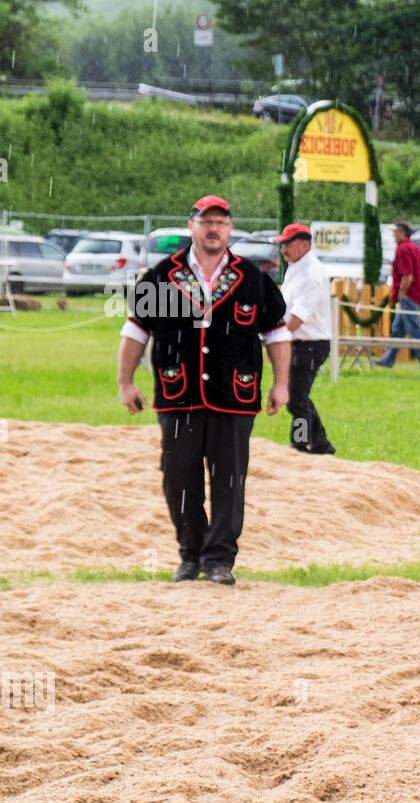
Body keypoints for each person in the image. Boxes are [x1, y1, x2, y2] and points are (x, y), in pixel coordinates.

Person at [116, 195, 290, 585]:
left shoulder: (254, 279)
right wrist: (125, 383)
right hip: (178, 395)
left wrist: (281, 383)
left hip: (235, 395)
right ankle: (190, 555)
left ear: (230, 229)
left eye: (221, 222)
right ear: (191, 226)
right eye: (206, 221)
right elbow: (135, 331)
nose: (214, 229)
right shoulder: (163, 276)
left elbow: (276, 333)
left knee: (229, 477)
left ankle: (219, 559)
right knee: (179, 477)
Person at [276, 223, 336, 455]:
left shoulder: (313, 274)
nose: (283, 250)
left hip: (311, 344)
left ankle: (299, 445)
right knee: (298, 396)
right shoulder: (295, 266)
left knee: (296, 398)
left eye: (287, 244)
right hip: (298, 342)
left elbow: (296, 318)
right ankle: (320, 442)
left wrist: (274, 338)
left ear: (304, 245)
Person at [374, 221, 420, 370]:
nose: (393, 235)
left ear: (402, 233)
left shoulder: (403, 249)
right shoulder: (415, 248)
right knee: (398, 329)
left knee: (414, 329)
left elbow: (408, 275)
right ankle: (388, 359)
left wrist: (401, 293)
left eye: (395, 232)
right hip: (415, 293)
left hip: (408, 294)